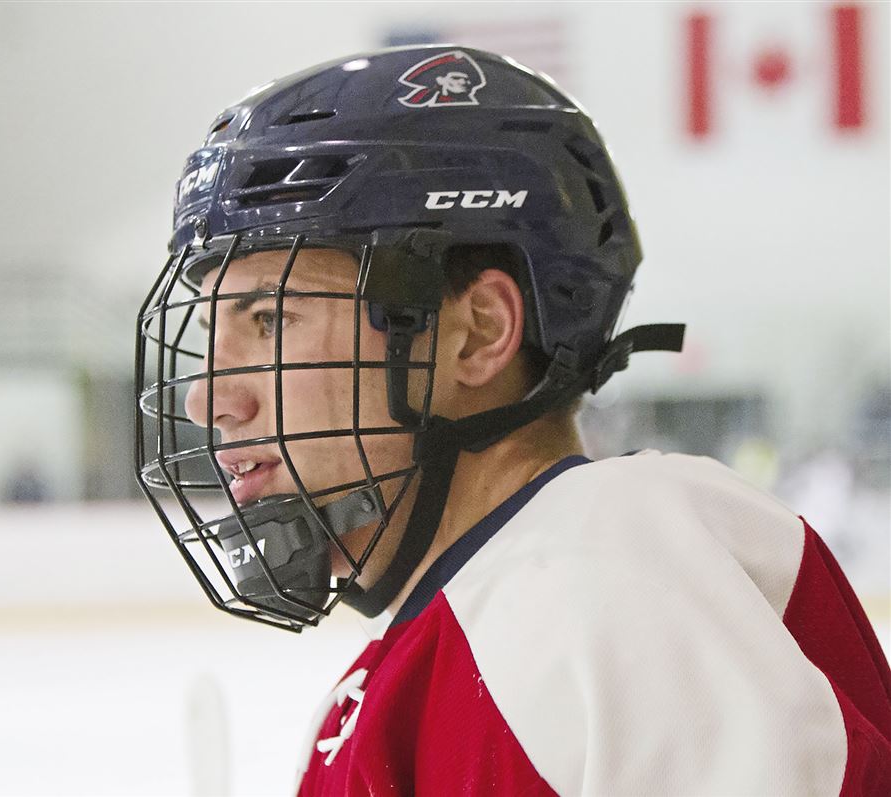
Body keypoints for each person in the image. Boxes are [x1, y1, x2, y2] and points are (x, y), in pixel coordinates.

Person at [134, 46, 891, 795]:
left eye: (270, 319)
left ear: (479, 332)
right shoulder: (457, 631)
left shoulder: (602, 580)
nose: (210, 399)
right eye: (211, 335)